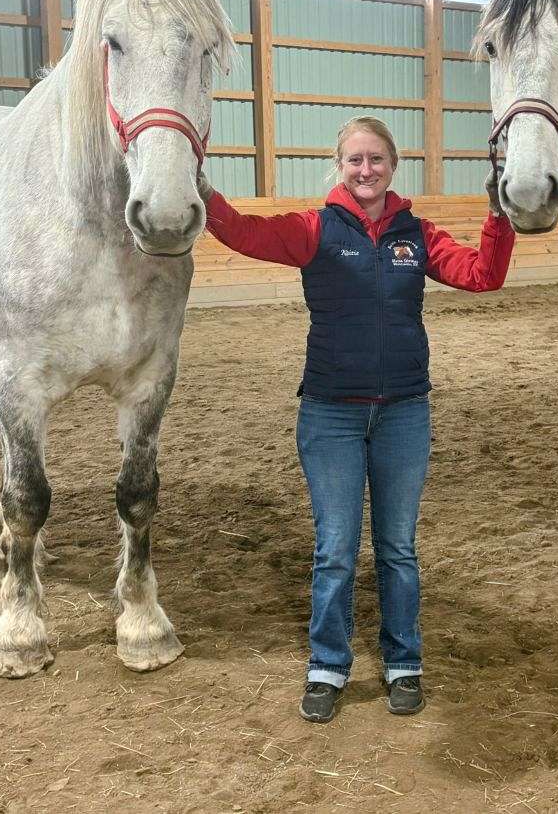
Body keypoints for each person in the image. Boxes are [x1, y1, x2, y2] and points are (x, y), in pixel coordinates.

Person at [197, 116, 514, 723]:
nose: (365, 170)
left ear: (393, 166)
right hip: (330, 415)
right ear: (339, 168)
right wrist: (202, 188)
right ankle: (327, 666)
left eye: (375, 160)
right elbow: (242, 232)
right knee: (336, 549)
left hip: (403, 413)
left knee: (397, 548)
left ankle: (403, 663)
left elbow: (484, 275)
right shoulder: (315, 231)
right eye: (354, 161)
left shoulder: (414, 235)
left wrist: (498, 214)